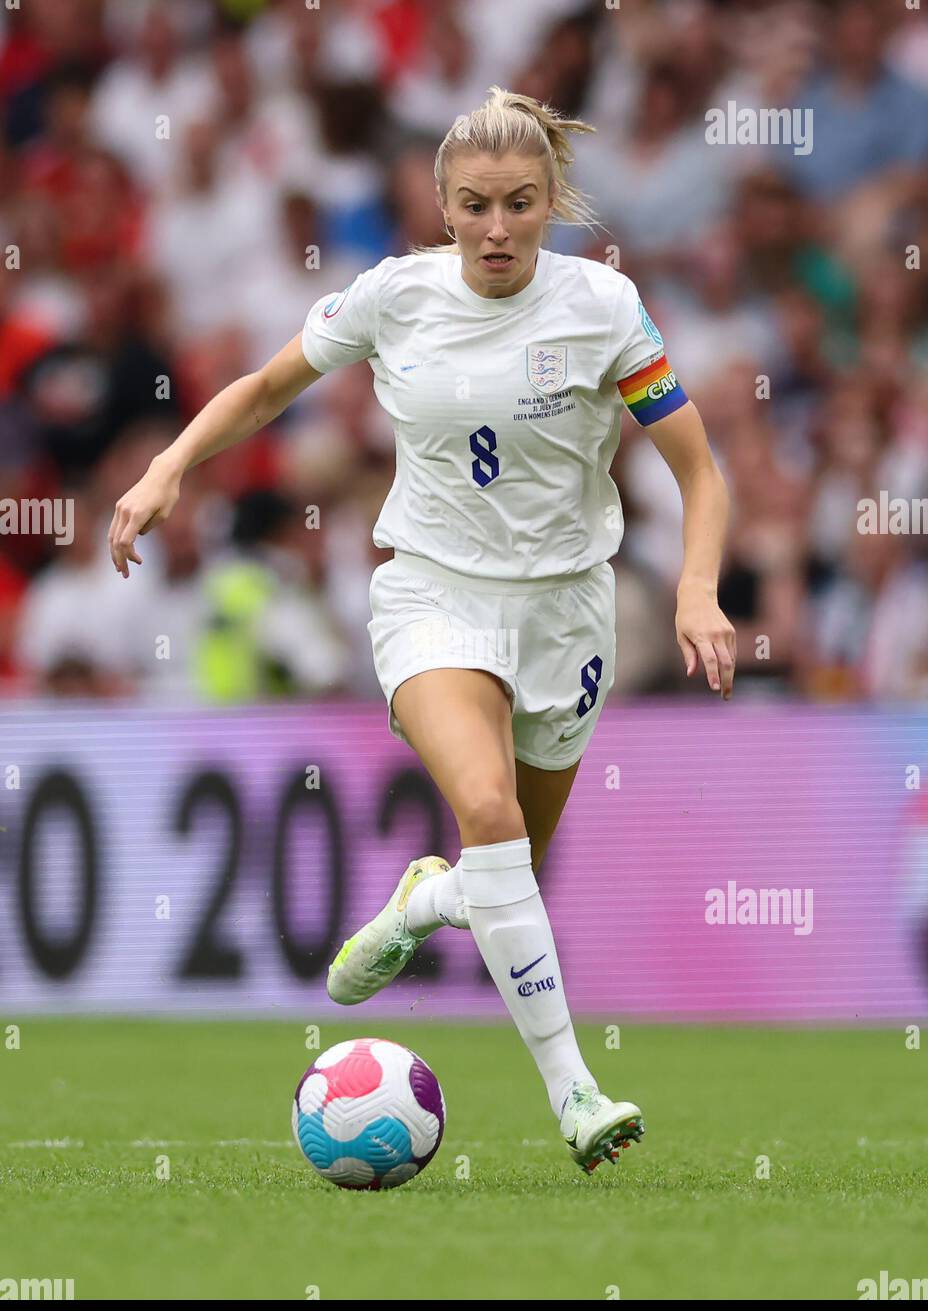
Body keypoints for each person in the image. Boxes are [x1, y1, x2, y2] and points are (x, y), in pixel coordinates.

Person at [108, 87, 736, 1174]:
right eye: (476, 205)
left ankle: (426, 897)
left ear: (551, 204)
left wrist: (695, 589)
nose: (498, 229)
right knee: (487, 811)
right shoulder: (393, 297)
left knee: (510, 870)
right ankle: (577, 1095)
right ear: (441, 206)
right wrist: (170, 464)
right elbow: (263, 390)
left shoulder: (603, 307)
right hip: (432, 591)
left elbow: (699, 470)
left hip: (567, 609)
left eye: (522, 204)